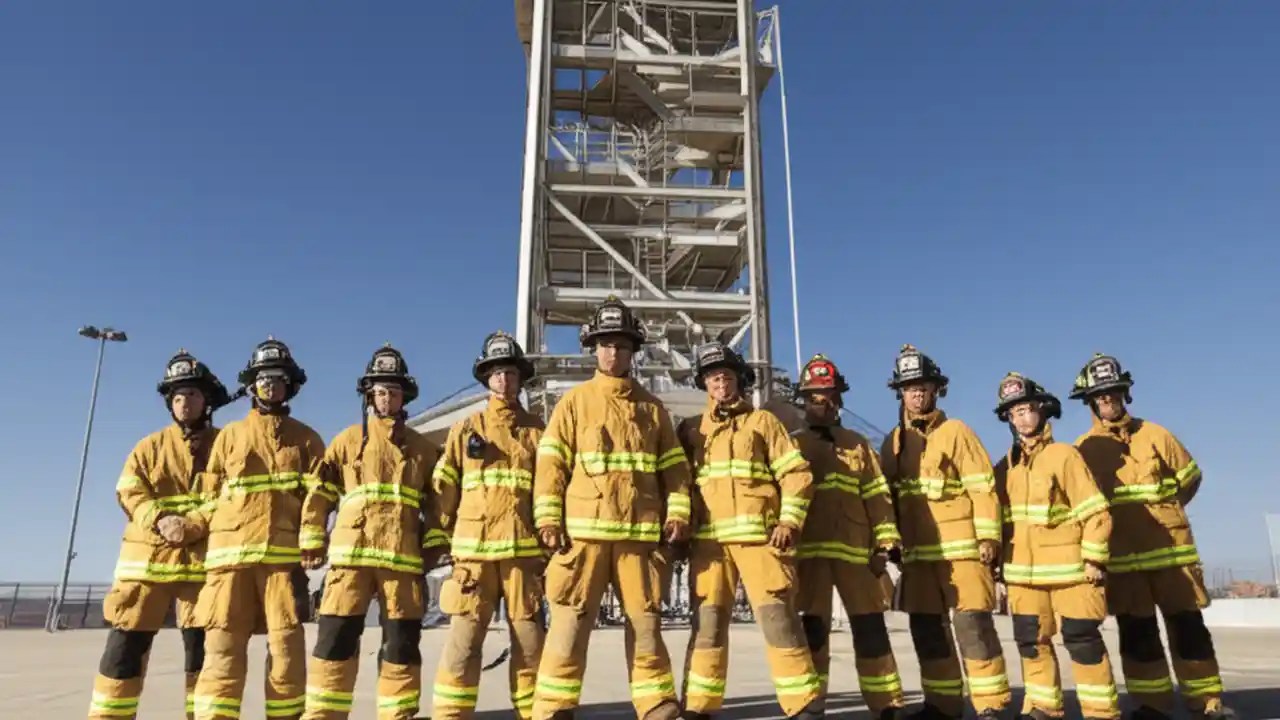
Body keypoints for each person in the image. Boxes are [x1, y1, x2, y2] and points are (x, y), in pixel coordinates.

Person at [531, 296, 692, 720]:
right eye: (605, 344)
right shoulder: (574, 403)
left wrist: (678, 515)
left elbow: (674, 471)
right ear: (593, 348)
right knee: (569, 626)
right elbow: (551, 464)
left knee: (646, 626)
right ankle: (553, 708)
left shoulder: (653, 410)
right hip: (583, 538)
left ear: (633, 350)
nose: (613, 352)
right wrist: (548, 519)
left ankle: (656, 703)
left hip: (638, 540)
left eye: (621, 344)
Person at [1070, 354, 1234, 720]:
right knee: (1138, 635)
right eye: (1100, 396)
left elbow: (1189, 479)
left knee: (1189, 630)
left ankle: (1208, 703)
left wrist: (1167, 513)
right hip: (1125, 563)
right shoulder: (1084, 449)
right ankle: (1151, 705)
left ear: (1124, 393)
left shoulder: (1157, 435)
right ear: (1091, 403)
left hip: (1171, 556)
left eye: (1113, 392)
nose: (1108, 400)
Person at [298, 344, 449, 720]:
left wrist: (434, 546)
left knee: (401, 647)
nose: (387, 397)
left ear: (404, 395)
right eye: (380, 391)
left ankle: (397, 716)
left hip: (402, 564)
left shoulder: (421, 449)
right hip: (350, 562)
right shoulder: (347, 441)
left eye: (394, 391)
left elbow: (437, 503)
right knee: (335, 642)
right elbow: (321, 493)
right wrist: (313, 538)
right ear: (370, 395)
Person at [678, 342, 824, 720]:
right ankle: (698, 707)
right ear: (704, 384)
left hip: (761, 541)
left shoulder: (763, 423)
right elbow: (680, 483)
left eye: (727, 376)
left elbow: (796, 474)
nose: (720, 384)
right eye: (713, 378)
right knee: (707, 627)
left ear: (739, 380)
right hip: (710, 545)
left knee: (779, 622)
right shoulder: (692, 430)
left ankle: (803, 706)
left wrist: (789, 521)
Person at [88, 351, 232, 720]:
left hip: (202, 570)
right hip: (147, 568)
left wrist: (194, 523)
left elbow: (234, 496)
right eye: (178, 397)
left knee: (203, 658)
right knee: (123, 653)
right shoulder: (147, 447)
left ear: (208, 401)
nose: (185, 404)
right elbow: (129, 490)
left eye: (193, 396)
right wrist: (161, 519)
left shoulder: (227, 447)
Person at [190, 338, 325, 720]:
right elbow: (208, 494)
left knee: (286, 649)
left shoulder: (307, 439)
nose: (270, 387)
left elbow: (321, 494)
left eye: (278, 380)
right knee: (221, 648)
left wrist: (313, 536)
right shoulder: (229, 437)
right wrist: (197, 532)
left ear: (290, 386)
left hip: (282, 563)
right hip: (228, 564)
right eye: (263, 380)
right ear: (251, 386)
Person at [879, 345, 1010, 720]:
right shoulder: (894, 442)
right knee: (927, 633)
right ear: (900, 393)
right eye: (909, 387)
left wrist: (989, 538)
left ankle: (991, 707)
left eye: (923, 386)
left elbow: (982, 487)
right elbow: (884, 496)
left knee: (974, 629)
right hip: (918, 558)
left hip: (963, 554)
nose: (917, 393)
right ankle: (942, 706)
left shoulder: (957, 433)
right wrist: (888, 541)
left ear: (937, 390)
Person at [431, 332, 545, 720]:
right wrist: (440, 537)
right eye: (496, 374)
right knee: (463, 643)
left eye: (510, 373)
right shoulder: (465, 430)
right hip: (474, 556)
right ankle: (451, 715)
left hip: (523, 555)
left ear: (520, 379)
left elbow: (551, 490)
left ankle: (534, 714)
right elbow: (443, 488)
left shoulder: (537, 432)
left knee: (529, 641)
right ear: (486, 379)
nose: (504, 381)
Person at [992, 372, 1119, 720]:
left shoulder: (1064, 456)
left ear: (1043, 411)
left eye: (1026, 409)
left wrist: (1094, 559)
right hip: (1023, 578)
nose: (1020, 418)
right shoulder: (1005, 468)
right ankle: (1043, 709)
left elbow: (1095, 511)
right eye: (1013, 413)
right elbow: (997, 522)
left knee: (1083, 643)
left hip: (1072, 575)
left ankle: (1101, 712)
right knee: (1031, 645)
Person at [791, 354, 905, 719]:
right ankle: (811, 705)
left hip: (857, 555)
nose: (822, 404)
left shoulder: (859, 446)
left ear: (840, 400)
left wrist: (885, 545)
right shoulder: (790, 445)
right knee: (813, 634)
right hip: (809, 557)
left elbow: (878, 496)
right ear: (804, 400)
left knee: (871, 631)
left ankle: (887, 705)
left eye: (829, 396)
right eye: (814, 397)